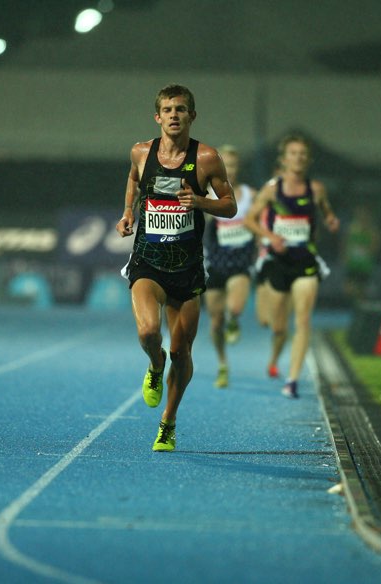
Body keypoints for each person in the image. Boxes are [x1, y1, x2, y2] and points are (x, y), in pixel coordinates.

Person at [116, 84, 237, 452]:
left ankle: (167, 421)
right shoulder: (140, 151)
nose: (173, 115)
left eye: (180, 109)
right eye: (167, 109)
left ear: (191, 116)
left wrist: (200, 201)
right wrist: (127, 212)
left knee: (181, 353)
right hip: (148, 263)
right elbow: (134, 180)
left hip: (186, 270)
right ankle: (154, 367)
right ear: (157, 117)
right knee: (149, 331)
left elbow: (230, 206)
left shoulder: (207, 158)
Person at [244, 134, 339, 398]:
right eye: (293, 153)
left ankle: (293, 379)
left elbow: (326, 209)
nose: (297, 158)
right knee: (277, 326)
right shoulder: (272, 190)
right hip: (277, 262)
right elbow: (250, 220)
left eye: (302, 154)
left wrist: (331, 220)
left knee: (304, 319)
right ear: (284, 159)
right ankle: (275, 356)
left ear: (307, 160)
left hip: (305, 261)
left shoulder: (316, 189)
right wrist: (271, 237)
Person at [202, 145, 257, 389]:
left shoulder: (250, 195)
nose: (230, 170)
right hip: (215, 262)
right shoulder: (207, 194)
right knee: (215, 322)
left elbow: (264, 222)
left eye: (233, 165)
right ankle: (222, 364)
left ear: (238, 168)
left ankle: (234, 319)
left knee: (234, 307)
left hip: (240, 263)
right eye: (225, 165)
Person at [341, 203, 381, 305]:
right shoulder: (351, 228)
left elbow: (376, 247)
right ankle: (358, 305)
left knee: (362, 291)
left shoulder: (372, 230)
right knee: (348, 289)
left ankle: (361, 309)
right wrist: (344, 256)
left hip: (364, 265)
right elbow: (345, 243)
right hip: (352, 264)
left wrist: (366, 250)